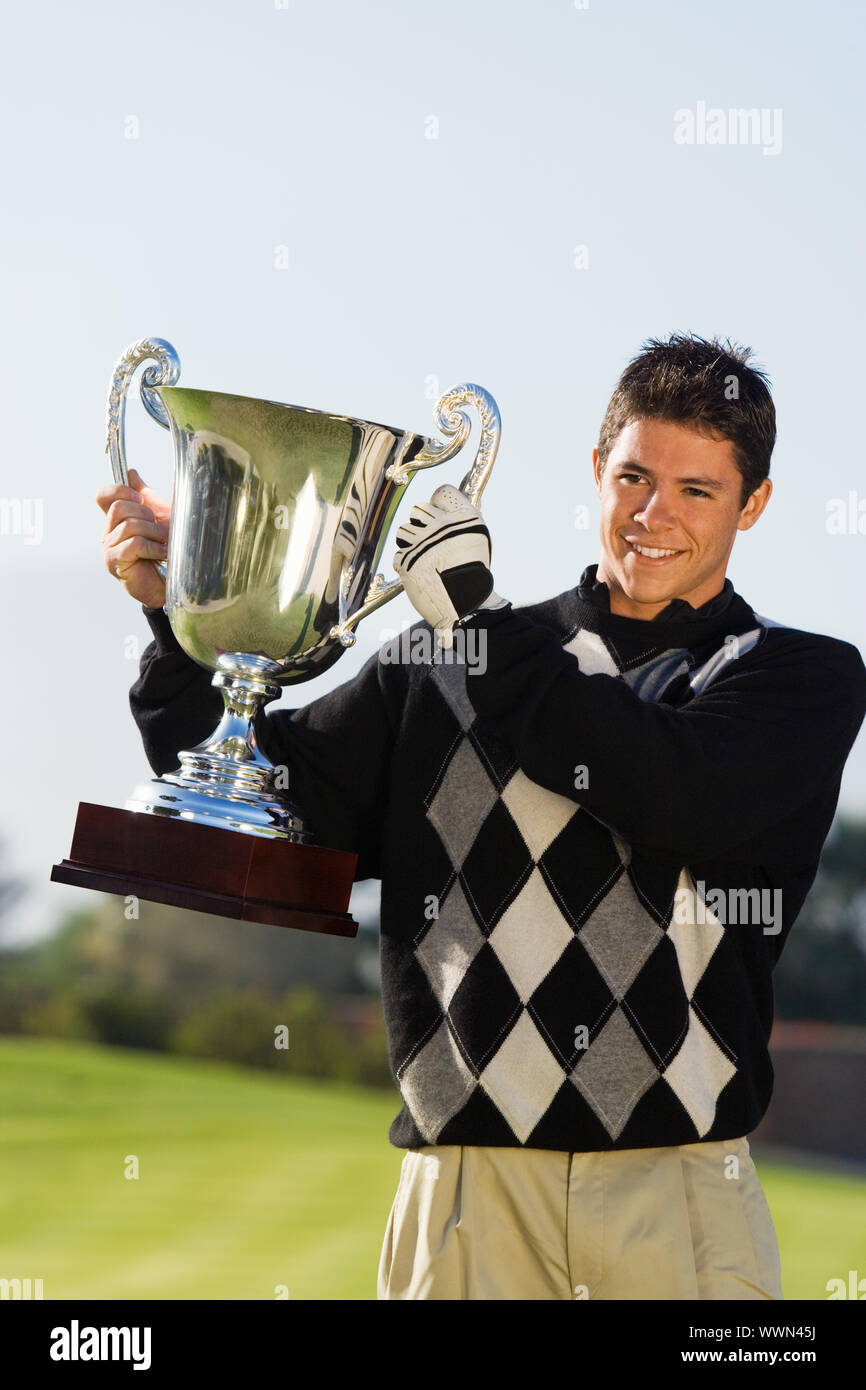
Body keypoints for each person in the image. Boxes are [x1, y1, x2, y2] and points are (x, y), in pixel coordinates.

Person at [97, 333, 866, 1301]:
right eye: (631, 476)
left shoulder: (797, 677)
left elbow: (674, 791)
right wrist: (180, 624)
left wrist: (476, 626)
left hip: (677, 1192)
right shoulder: (444, 658)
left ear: (750, 504)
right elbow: (261, 805)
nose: (650, 513)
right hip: (461, 1194)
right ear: (595, 470)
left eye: (695, 490)